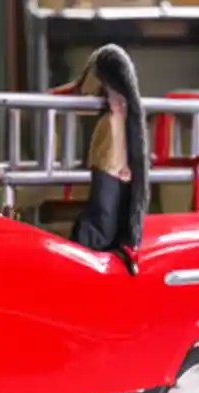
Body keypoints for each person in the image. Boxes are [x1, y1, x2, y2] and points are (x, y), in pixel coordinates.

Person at [49, 45, 149, 260]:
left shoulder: (113, 119)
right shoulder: (125, 115)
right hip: (116, 172)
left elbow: (82, 94)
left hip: (111, 171)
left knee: (99, 227)